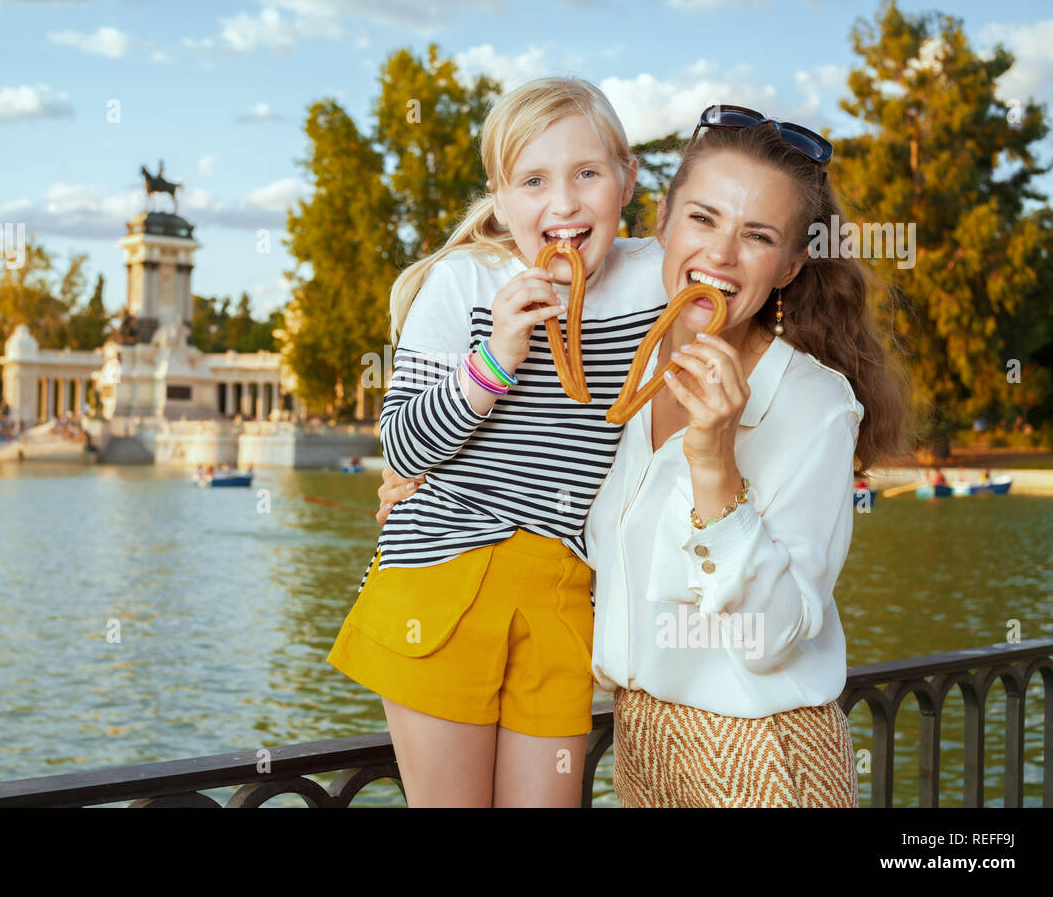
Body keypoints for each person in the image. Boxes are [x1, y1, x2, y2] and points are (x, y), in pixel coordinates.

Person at [379, 105, 911, 807]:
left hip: (763, 755)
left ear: (791, 263)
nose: (720, 255)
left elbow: (774, 637)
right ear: (662, 221)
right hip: (643, 751)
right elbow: (574, 522)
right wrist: (432, 491)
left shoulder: (814, 405)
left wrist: (716, 464)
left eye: (757, 236)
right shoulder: (628, 350)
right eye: (702, 219)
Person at [328, 76, 668, 807]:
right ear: (502, 196)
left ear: (626, 179)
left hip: (563, 594)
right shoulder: (466, 283)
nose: (565, 203)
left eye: (587, 173)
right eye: (534, 181)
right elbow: (403, 448)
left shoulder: (657, 279)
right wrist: (495, 362)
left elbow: (751, 260)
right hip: (444, 577)